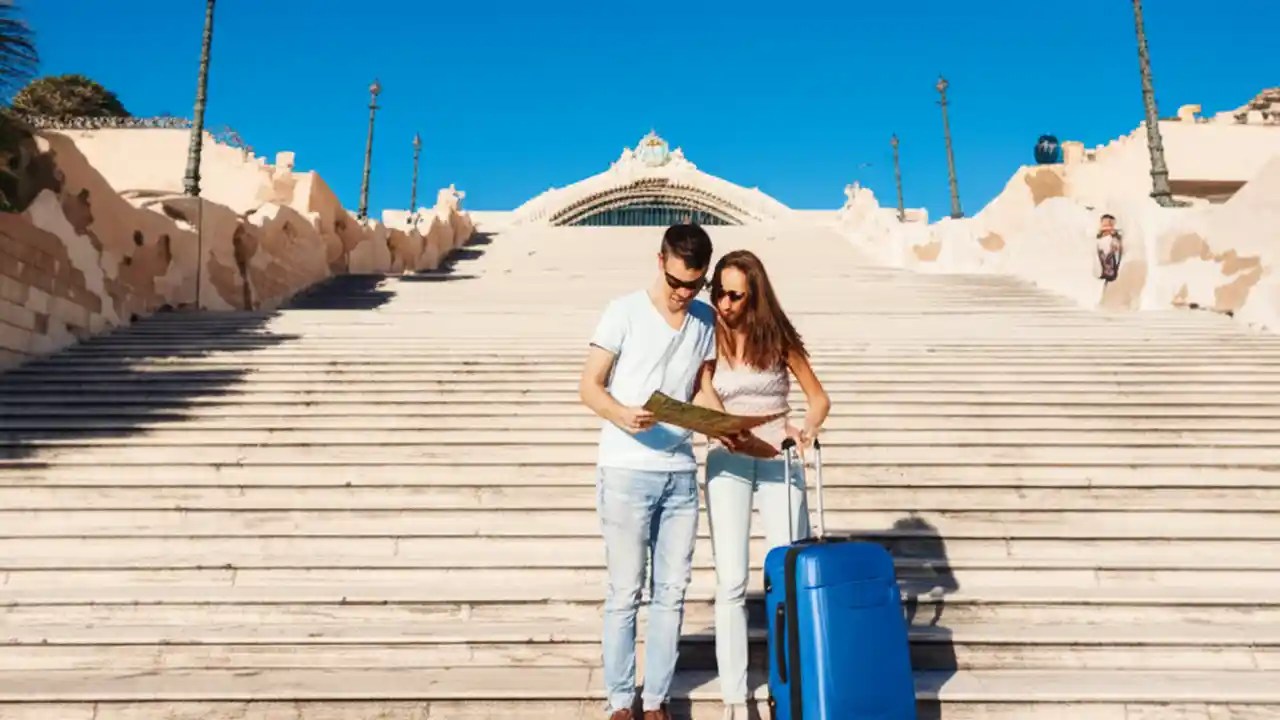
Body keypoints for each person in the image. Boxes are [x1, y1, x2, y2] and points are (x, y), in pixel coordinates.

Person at [579, 223, 743, 720]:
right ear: (661, 261)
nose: (683, 293)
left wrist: (724, 425)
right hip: (626, 469)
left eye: (693, 285)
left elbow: (702, 387)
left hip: (678, 472)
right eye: (676, 283)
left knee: (671, 593)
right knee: (626, 591)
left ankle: (656, 702)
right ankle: (619, 701)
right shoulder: (623, 311)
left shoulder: (702, 321)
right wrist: (621, 413)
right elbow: (589, 386)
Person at [702, 249, 831, 720]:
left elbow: (818, 399)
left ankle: (790, 686)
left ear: (754, 294)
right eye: (718, 291)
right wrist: (720, 423)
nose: (725, 302)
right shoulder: (706, 333)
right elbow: (705, 393)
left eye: (735, 294)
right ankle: (735, 699)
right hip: (729, 456)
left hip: (778, 454)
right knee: (731, 580)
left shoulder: (776, 336)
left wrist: (804, 430)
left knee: (784, 574)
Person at [1096, 213, 1123, 282]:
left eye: (1110, 224)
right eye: (1105, 225)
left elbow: (1117, 250)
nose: (1107, 227)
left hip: (1112, 271)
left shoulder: (1115, 239)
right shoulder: (1098, 240)